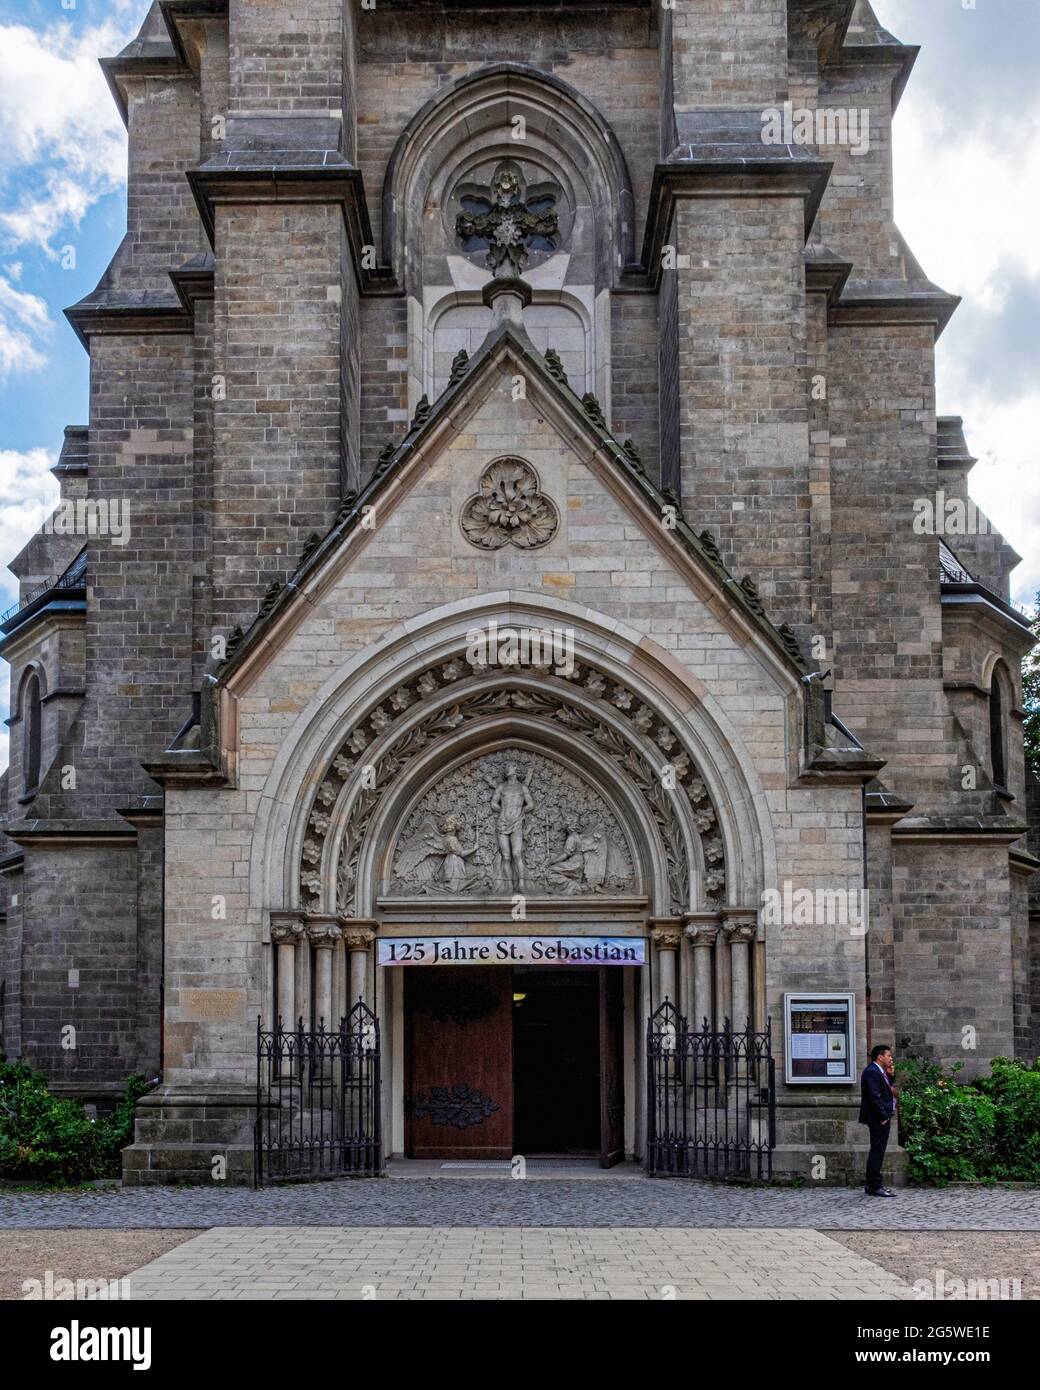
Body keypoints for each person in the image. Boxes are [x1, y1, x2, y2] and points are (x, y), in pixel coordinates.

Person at [859, 1043, 897, 1197]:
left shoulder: (879, 1071)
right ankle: (875, 1185)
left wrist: (891, 1074)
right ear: (880, 1057)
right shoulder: (872, 1072)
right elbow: (875, 1096)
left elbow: (886, 1088)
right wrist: (883, 1116)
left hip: (880, 1116)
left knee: (878, 1150)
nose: (891, 1058)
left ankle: (871, 1185)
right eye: (888, 1055)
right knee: (877, 1151)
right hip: (878, 1118)